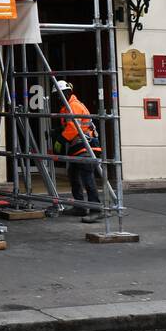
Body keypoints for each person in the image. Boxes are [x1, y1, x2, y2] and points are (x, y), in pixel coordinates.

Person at [55, 80, 102, 224]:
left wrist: (61, 140)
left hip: (87, 147)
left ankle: (96, 210)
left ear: (67, 93)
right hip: (79, 147)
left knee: (87, 178)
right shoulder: (68, 106)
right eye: (56, 94)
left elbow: (74, 127)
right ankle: (80, 207)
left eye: (59, 94)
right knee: (73, 175)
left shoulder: (73, 106)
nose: (58, 97)